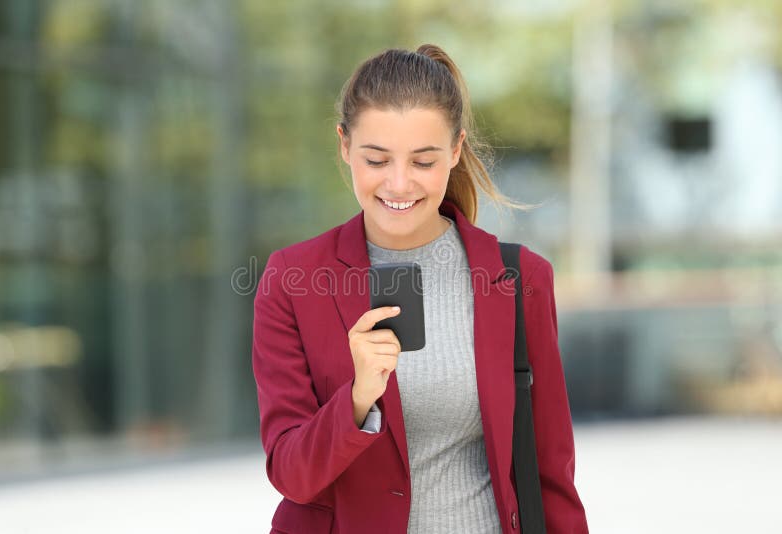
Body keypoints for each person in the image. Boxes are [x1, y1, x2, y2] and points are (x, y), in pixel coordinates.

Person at [252, 44, 589, 534]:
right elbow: (291, 475)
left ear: (455, 150)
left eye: (423, 161)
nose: (399, 183)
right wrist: (357, 398)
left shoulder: (521, 280)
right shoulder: (292, 280)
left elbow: (551, 471)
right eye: (377, 159)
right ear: (344, 146)